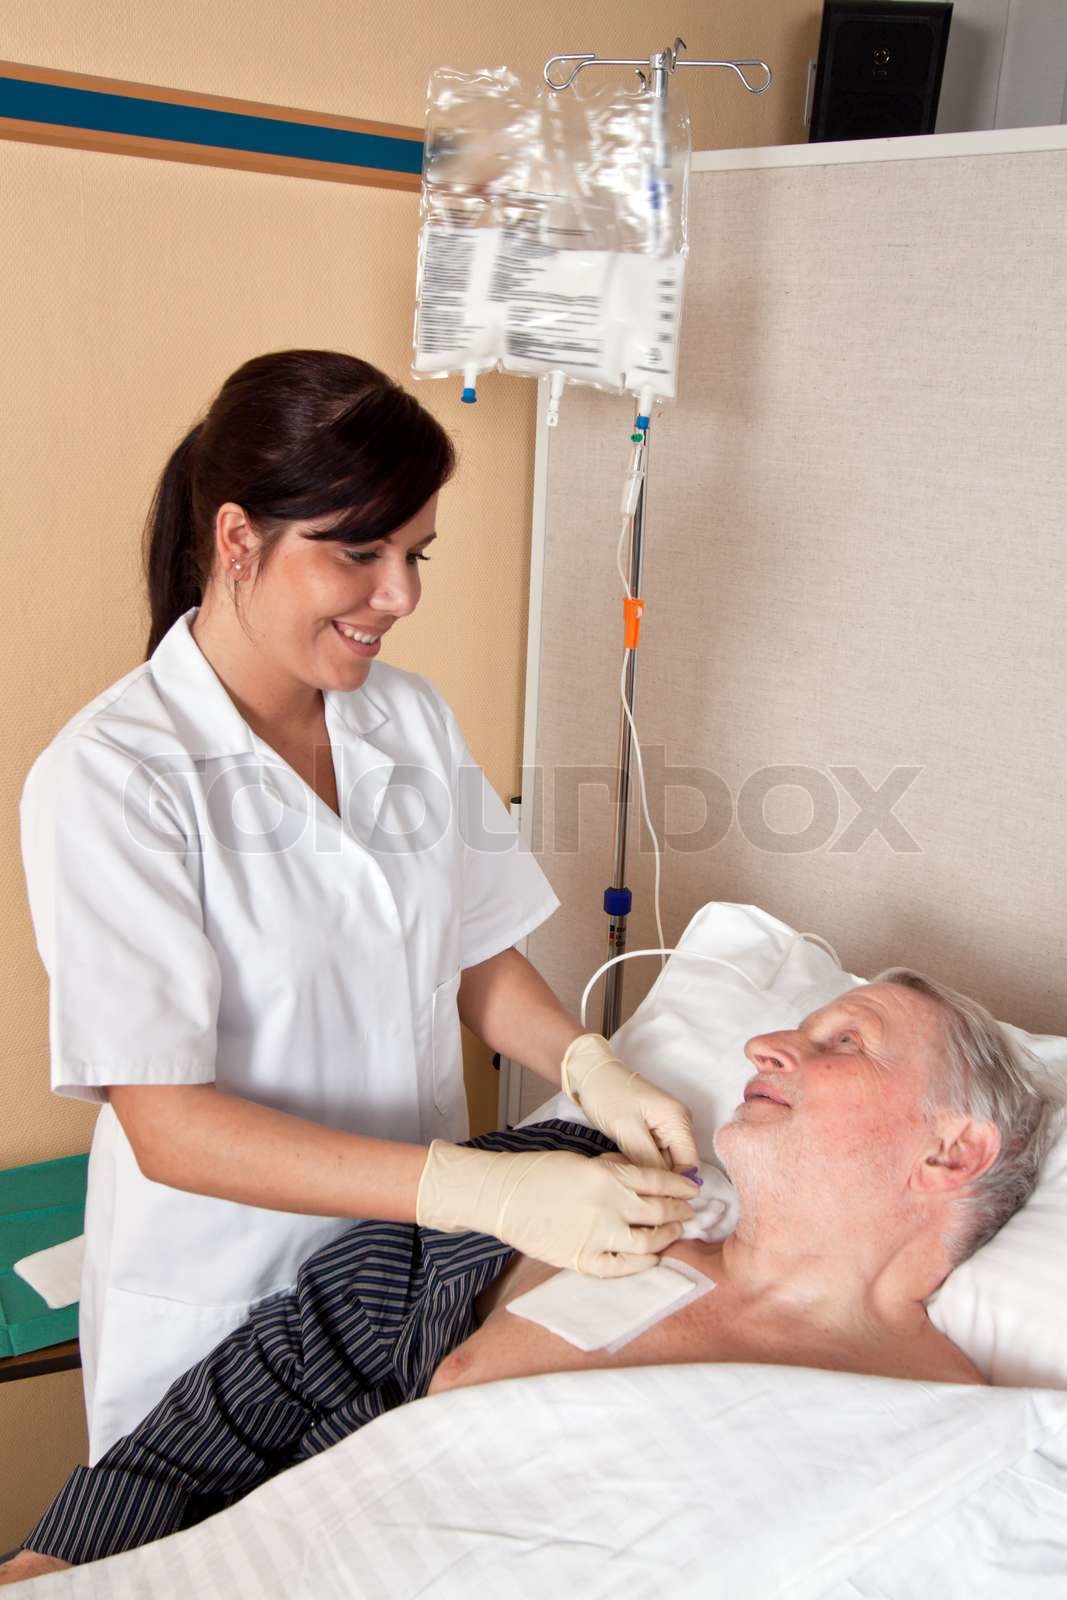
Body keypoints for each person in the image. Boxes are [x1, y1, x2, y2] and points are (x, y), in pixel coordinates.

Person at [18, 349, 700, 1467]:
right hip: (225, 1297)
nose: (401, 596)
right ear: (238, 539)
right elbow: (168, 1125)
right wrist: (479, 1188)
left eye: (413, 553)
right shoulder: (111, 775)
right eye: (359, 553)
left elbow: (478, 956)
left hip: (402, 1287)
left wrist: (589, 1065)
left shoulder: (406, 719)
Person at [4, 968, 1062, 1585]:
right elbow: (274, 1373)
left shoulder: (977, 1449)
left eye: (843, 1041)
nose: (765, 1042)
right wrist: (55, 1561)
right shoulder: (549, 1198)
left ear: (950, 1153)